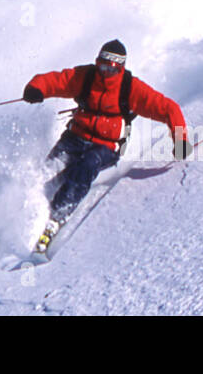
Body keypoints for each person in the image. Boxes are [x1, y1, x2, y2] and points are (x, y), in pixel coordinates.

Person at [22, 39, 190, 254]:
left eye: (110, 69)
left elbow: (168, 108)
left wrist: (180, 139)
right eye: (101, 65)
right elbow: (57, 80)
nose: (104, 72)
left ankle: (56, 216)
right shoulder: (86, 77)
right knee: (50, 169)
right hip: (75, 136)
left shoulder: (130, 88)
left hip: (105, 146)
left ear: (120, 68)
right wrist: (36, 89)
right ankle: (24, 205)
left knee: (86, 166)